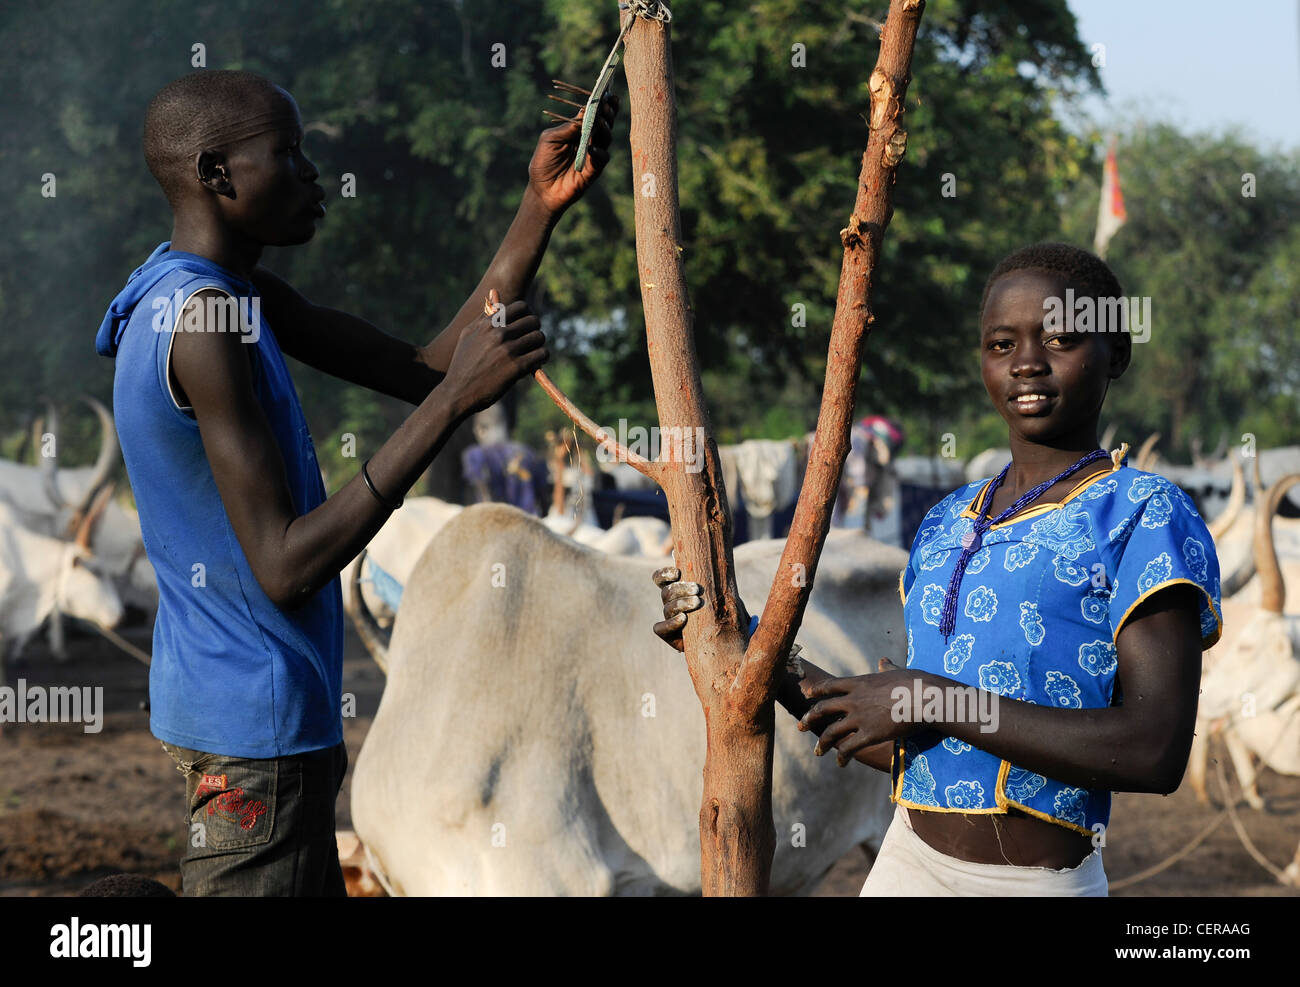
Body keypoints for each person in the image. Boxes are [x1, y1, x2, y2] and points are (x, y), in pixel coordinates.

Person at [95, 69, 618, 895]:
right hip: (257, 744)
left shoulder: (223, 294)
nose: (311, 175)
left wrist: (539, 206)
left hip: (253, 727)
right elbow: (286, 564)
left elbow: (419, 367)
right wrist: (454, 404)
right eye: (288, 153)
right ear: (216, 173)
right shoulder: (199, 322)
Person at [653, 242, 1221, 896]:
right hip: (906, 867)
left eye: (1060, 337)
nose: (1028, 363)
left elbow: (1155, 748)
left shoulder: (1144, 513)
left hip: (1036, 884)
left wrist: (933, 698)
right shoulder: (948, 522)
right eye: (1002, 345)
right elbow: (914, 745)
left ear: (1115, 352)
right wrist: (739, 639)